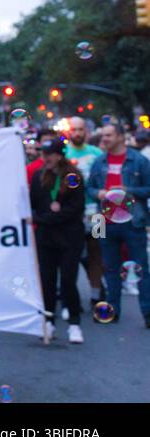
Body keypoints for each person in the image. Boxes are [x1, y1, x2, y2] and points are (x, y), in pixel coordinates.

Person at [87, 122, 150, 326]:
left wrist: (127, 189)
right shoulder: (99, 161)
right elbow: (89, 188)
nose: (104, 139)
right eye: (103, 135)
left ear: (121, 137)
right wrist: (98, 193)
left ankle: (147, 313)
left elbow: (148, 188)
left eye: (108, 135)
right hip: (102, 219)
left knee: (140, 267)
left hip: (133, 220)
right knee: (108, 267)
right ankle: (111, 311)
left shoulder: (139, 160)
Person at [29, 135, 87, 343]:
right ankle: (49, 322)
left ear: (59, 155)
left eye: (50, 154)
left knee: (68, 281)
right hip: (46, 238)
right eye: (44, 154)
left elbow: (75, 208)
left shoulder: (73, 176)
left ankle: (74, 323)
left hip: (70, 237)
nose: (46, 158)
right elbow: (32, 205)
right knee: (47, 281)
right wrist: (43, 218)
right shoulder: (38, 176)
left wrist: (47, 218)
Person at [65, 117, 108, 304]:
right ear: (69, 132)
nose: (77, 133)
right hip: (73, 214)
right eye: (74, 129)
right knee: (71, 254)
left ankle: (96, 292)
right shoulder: (64, 154)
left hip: (97, 213)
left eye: (81, 129)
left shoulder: (97, 153)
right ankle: (69, 296)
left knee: (96, 251)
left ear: (86, 131)